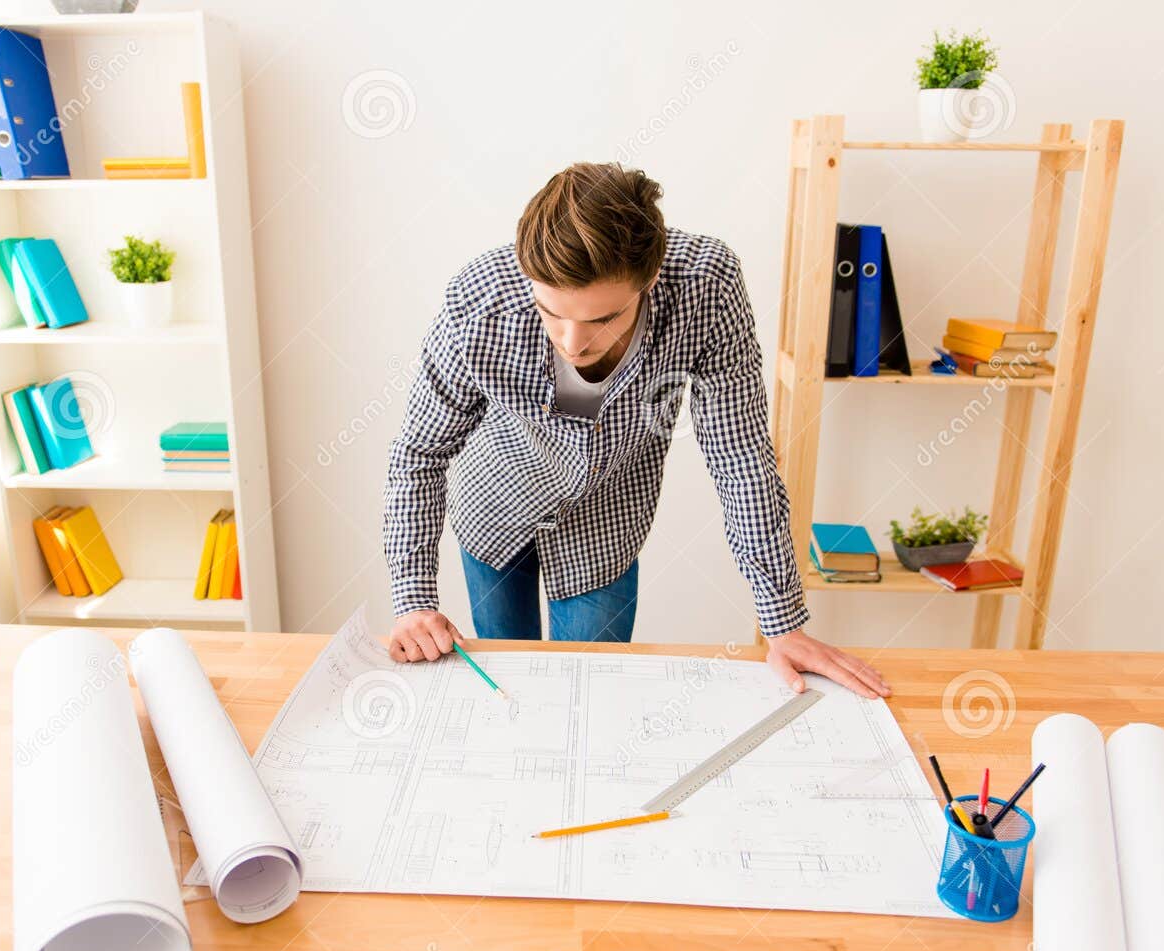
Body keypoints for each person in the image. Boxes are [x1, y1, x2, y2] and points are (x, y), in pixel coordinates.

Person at [381, 162, 889, 699]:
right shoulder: (480, 300)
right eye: (551, 312)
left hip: (607, 523)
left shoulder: (705, 288)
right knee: (513, 689)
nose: (572, 343)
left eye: (602, 319)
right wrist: (413, 598)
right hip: (496, 509)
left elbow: (740, 458)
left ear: (649, 279)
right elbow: (419, 452)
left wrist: (782, 620)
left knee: (591, 695)